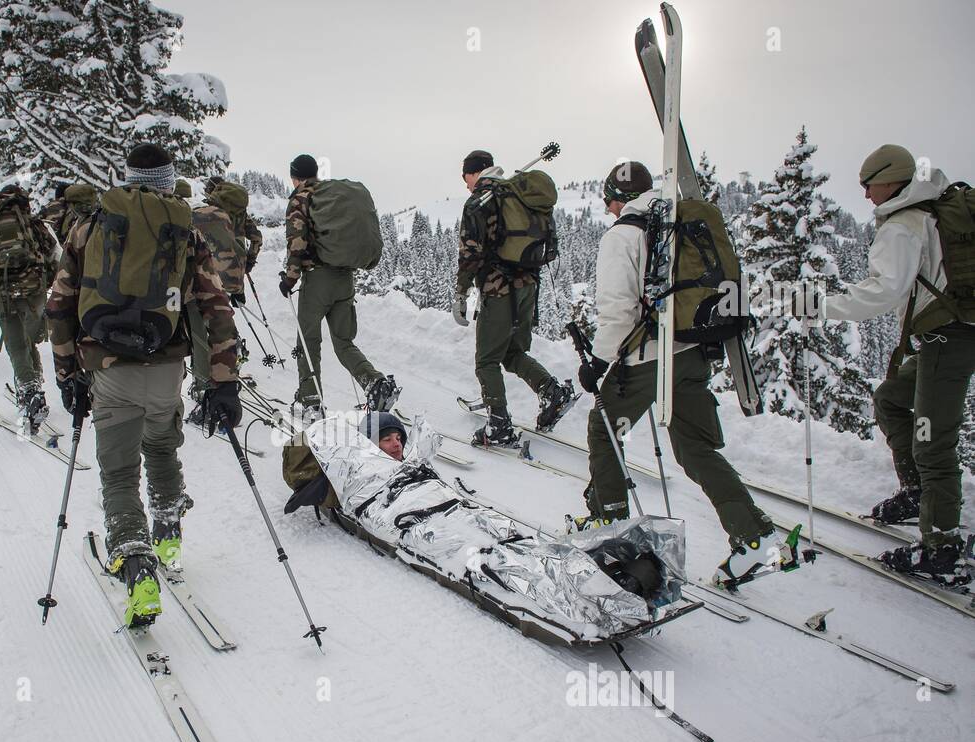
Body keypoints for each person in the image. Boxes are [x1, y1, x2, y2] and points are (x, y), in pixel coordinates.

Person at [44, 143, 243, 627]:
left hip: (111, 371)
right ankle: (169, 528)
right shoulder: (186, 233)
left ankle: (136, 566)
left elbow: (59, 305)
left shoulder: (89, 225)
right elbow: (215, 308)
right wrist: (223, 381)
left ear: (128, 177)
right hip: (165, 368)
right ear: (167, 179)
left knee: (117, 474)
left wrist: (68, 374)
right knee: (160, 448)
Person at [285, 410, 687, 639]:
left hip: (450, 505)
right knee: (486, 561)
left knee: (518, 540)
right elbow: (310, 485)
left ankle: (607, 566)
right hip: (411, 520)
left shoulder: (412, 462)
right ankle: (594, 597)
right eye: (386, 438)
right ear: (366, 446)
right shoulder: (352, 474)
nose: (396, 443)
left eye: (398, 437)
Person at [582, 160, 778, 568]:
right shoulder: (676, 224)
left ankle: (609, 526)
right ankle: (753, 535)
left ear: (619, 199)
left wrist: (598, 362)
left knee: (606, 431)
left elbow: (618, 310)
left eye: (608, 202)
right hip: (692, 351)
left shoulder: (624, 235)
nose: (607, 210)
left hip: (648, 357)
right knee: (694, 448)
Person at [809, 145, 974, 583]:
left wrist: (820, 306)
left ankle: (944, 548)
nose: (864, 194)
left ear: (893, 178)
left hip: (949, 339)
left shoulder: (904, 224)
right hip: (949, 335)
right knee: (891, 399)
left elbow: (883, 292)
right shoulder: (927, 211)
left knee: (932, 439)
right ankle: (918, 492)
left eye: (869, 184)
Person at [453, 150, 576, 446]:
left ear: (474, 173)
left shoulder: (480, 200)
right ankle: (551, 390)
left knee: (486, 360)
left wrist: (460, 292)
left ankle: (498, 424)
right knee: (511, 352)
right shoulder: (517, 194)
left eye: (464, 177)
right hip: (528, 286)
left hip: (499, 289)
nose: (465, 184)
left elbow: (471, 252)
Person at [280, 153, 398, 419]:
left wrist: (290, 278)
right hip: (345, 278)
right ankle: (376, 383)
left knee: (308, 342)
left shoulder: (301, 198)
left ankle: (311, 403)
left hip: (318, 280)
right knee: (344, 341)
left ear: (295, 176)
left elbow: (297, 241)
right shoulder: (328, 195)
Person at [0, 184, 59, 431]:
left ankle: (30, 391)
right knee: (30, 335)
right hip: (34, 288)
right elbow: (54, 252)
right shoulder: (30, 220)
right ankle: (35, 379)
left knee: (15, 343)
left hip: (2, 292)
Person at [185, 177, 263, 425]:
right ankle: (229, 365)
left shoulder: (197, 213)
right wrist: (243, 273)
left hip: (198, 279)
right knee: (221, 324)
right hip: (225, 280)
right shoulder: (237, 216)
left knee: (200, 336)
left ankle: (207, 387)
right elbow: (252, 241)